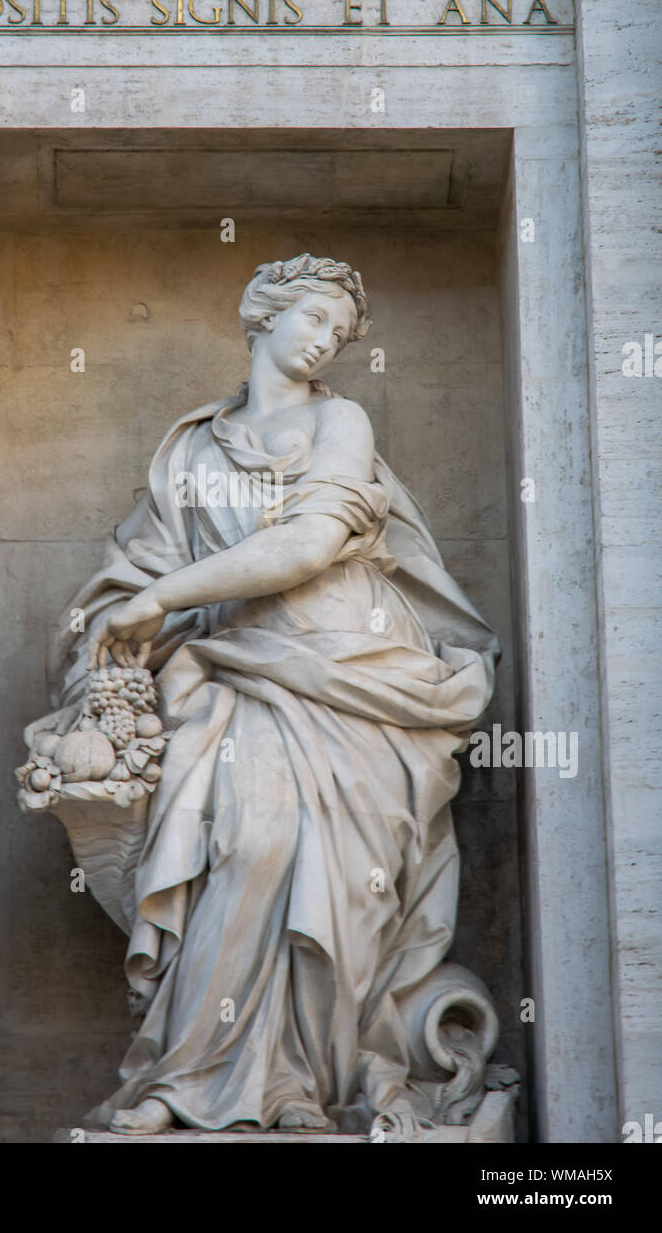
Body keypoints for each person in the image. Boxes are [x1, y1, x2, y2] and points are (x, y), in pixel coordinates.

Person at [55, 254, 499, 1135]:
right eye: (316, 320)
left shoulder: (341, 421)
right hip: (232, 671)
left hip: (352, 677)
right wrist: (119, 622)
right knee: (249, 844)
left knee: (339, 878)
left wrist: (160, 600)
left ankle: (309, 1086)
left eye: (341, 332)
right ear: (263, 315)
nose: (328, 340)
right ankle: (190, 1083)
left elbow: (303, 548)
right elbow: (136, 569)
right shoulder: (188, 446)